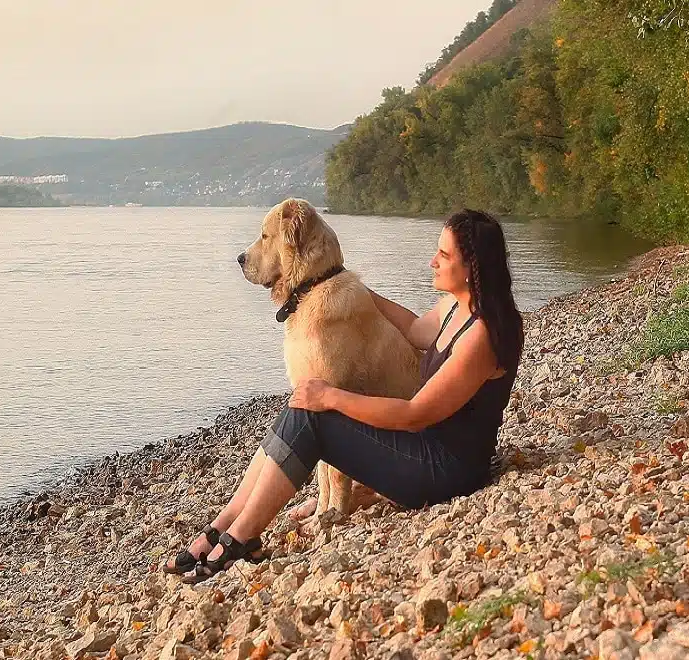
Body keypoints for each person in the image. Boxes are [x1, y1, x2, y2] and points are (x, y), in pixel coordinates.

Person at [161, 209, 526, 583]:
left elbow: (416, 413)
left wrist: (331, 398)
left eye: (444, 256)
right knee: (301, 406)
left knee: (313, 413)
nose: (432, 261)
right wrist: (344, 284)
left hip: (445, 470)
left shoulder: (482, 335)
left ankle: (241, 537)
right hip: (423, 449)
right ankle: (225, 524)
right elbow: (415, 329)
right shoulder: (455, 306)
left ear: (473, 267)